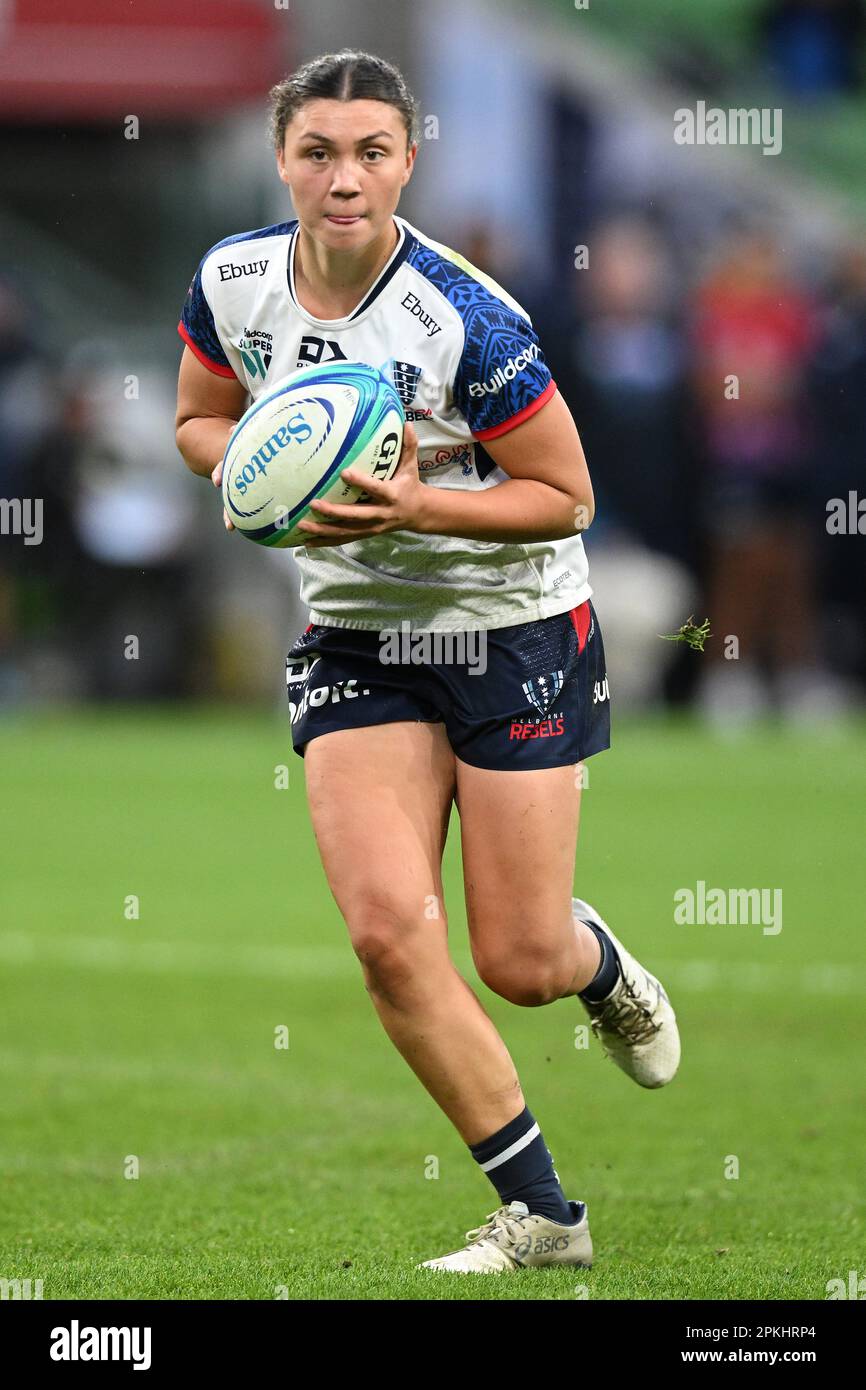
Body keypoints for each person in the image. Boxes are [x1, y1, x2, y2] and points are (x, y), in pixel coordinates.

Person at [174, 49, 680, 1276]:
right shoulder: (233, 282)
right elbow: (195, 419)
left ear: (408, 159)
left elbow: (566, 494)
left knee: (516, 959)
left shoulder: (464, 312)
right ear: (281, 157)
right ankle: (544, 1218)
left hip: (510, 630)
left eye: (370, 152)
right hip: (353, 638)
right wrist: (258, 472)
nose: (342, 177)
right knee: (387, 937)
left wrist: (415, 508)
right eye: (317, 151)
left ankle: (595, 963)